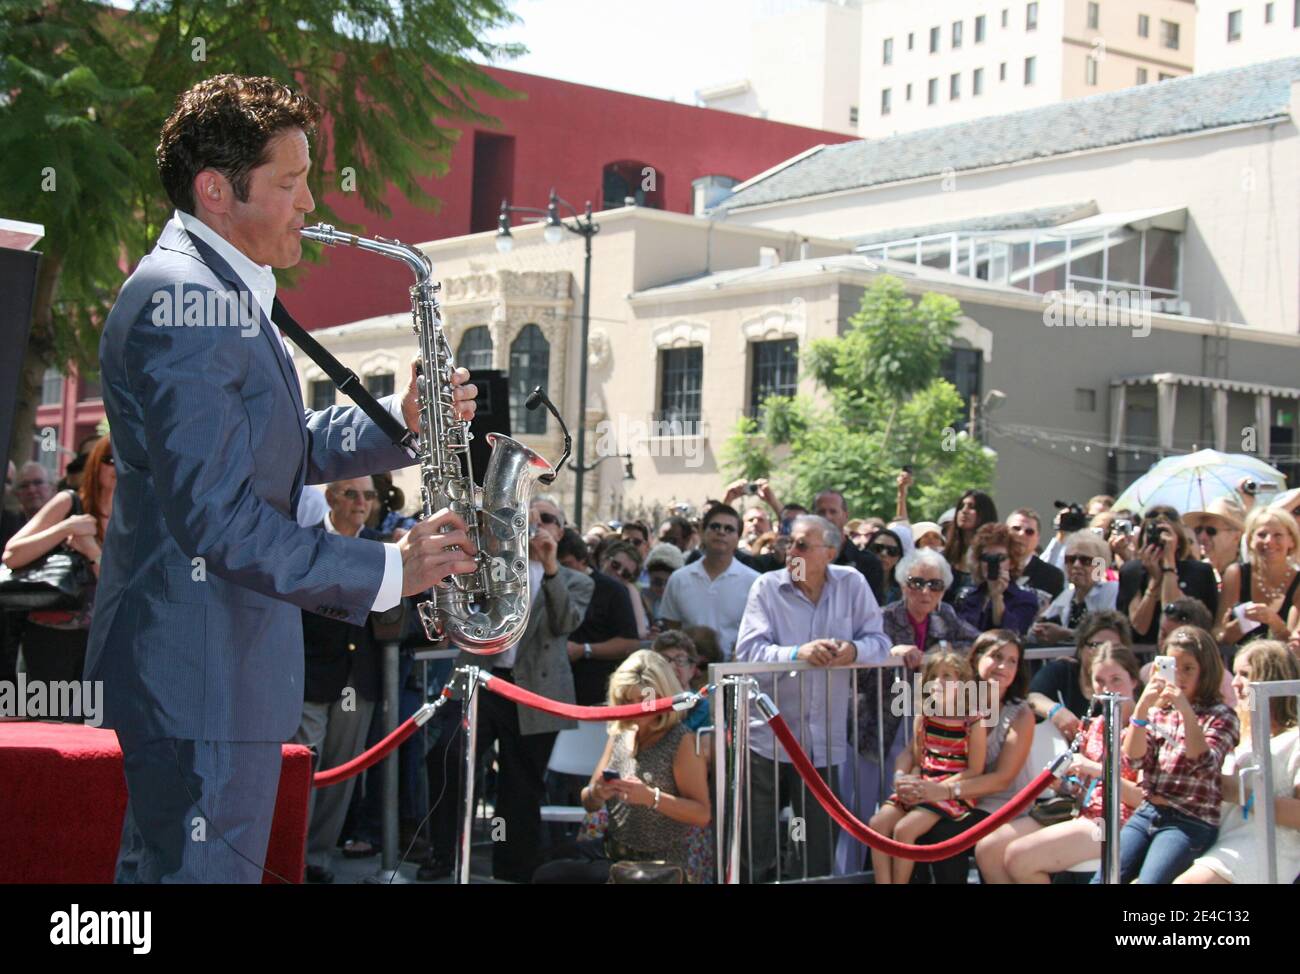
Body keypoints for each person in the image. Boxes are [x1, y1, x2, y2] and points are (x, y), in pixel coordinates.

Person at [87, 75, 480, 884]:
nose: (310, 204)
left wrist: (404, 420)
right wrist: (386, 569)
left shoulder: (211, 290)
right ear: (216, 190)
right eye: (290, 183)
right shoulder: (186, 299)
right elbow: (220, 517)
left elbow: (271, 452)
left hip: (206, 672)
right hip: (199, 679)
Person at [421, 497, 593, 882]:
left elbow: (565, 622)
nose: (536, 524)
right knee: (446, 758)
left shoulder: (577, 580)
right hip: (486, 683)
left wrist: (549, 568)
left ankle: (513, 870)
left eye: (546, 519)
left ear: (561, 531)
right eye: (528, 517)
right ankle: (443, 854)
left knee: (520, 785)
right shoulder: (496, 565)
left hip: (536, 694)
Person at [733, 514, 891, 881]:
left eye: (803, 544)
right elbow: (747, 653)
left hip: (825, 743)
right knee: (757, 846)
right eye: (790, 542)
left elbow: (879, 643)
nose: (793, 551)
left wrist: (852, 650)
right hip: (767, 740)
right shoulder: (766, 587)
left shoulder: (853, 584)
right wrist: (795, 653)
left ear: (830, 552)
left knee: (813, 849)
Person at [836, 547, 980, 874]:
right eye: (917, 582)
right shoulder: (882, 617)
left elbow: (979, 645)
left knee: (899, 812)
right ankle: (846, 877)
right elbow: (857, 662)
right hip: (872, 726)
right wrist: (888, 652)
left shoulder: (946, 617)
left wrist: (938, 652)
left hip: (917, 731)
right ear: (902, 584)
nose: (926, 591)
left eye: (935, 585)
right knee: (857, 816)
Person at [533, 650, 710, 883]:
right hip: (612, 852)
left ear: (662, 695)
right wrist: (598, 792)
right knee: (544, 870)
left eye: (643, 700)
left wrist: (650, 797)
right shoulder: (621, 732)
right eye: (627, 700)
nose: (635, 708)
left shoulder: (681, 741)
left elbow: (701, 814)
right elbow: (589, 801)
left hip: (661, 864)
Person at [293, 476, 386, 883]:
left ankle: (315, 858)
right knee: (303, 768)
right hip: (310, 675)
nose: (361, 502)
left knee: (341, 772)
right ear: (331, 498)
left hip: (358, 679)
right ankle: (288, 852)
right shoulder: (303, 541)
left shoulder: (387, 548)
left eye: (369, 496)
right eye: (352, 494)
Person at [1096, 625, 1239, 884]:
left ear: (1204, 672)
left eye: (1188, 668)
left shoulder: (1221, 715)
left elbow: (1204, 764)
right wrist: (1141, 709)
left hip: (1189, 820)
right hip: (1148, 811)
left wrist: (1185, 711)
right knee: (1105, 879)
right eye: (1173, 666)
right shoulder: (1157, 712)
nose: (1180, 676)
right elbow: (1134, 759)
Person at [997, 645, 1145, 883]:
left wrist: (1095, 770)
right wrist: (1064, 783)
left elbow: (1143, 799)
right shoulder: (1096, 726)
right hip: (1084, 813)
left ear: (1134, 681)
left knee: (1019, 858)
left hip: (1122, 823)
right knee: (992, 849)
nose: (1107, 689)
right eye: (1099, 681)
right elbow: (1080, 786)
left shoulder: (1143, 729)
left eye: (1116, 679)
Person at [908, 631, 1035, 883]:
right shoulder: (955, 700)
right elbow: (914, 748)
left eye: (1012, 661)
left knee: (944, 834)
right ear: (976, 658)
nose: (1003, 666)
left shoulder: (1021, 714)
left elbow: (1002, 779)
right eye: (997, 656)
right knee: (902, 825)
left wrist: (943, 791)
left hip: (1000, 803)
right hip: (955, 795)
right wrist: (905, 780)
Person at [1175, 641, 1300, 885]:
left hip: (1266, 846)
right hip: (1214, 837)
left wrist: (1243, 794)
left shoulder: (1295, 738)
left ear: (1270, 679)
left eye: (1245, 674)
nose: (1235, 683)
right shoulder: (1236, 734)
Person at [3, 437, 116, 691]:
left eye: (125, 460)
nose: (118, 467)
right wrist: (65, 527)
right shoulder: (69, 502)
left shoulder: (132, 518)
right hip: (51, 634)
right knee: (47, 723)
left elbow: (115, 586)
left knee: (88, 725)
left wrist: (91, 551)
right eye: (110, 460)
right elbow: (12, 554)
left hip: (101, 639)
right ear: (95, 465)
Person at [871, 649, 987, 884]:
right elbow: (917, 758)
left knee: (904, 830)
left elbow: (975, 769)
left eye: (947, 677)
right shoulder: (924, 716)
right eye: (934, 676)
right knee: (878, 824)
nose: (939, 682)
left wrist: (939, 788)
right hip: (924, 783)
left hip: (951, 792)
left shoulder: (973, 721)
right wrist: (906, 780)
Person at [656, 503, 758, 659]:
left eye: (729, 529)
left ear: (738, 538)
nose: (721, 532)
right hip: (687, 672)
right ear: (703, 532)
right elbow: (672, 630)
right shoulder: (679, 579)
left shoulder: (755, 583)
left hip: (735, 673)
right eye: (715, 527)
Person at [560, 518, 640, 705]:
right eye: (615, 565)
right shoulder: (547, 581)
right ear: (603, 558)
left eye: (626, 574)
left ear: (582, 559)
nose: (619, 572)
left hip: (594, 689)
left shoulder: (616, 592)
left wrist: (584, 650)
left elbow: (630, 642)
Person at [1028, 610, 1133, 743]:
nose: (1104, 652)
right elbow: (1032, 697)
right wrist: (1055, 711)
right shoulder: (1063, 671)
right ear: (1081, 647)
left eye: (1114, 647)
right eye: (1097, 645)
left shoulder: (1126, 684)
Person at [1118, 505, 1218, 644]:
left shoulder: (1200, 572)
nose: (1158, 539)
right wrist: (1155, 581)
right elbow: (1139, 627)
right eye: (1152, 533)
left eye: (1164, 533)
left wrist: (1169, 567)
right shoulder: (1131, 571)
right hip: (1142, 654)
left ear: (1178, 539)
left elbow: (1175, 615)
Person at [1214, 506, 1300, 650]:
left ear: (1291, 540)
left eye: (1278, 535)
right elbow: (1217, 633)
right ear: (1250, 541)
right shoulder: (1236, 574)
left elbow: (1295, 645)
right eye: (1262, 534)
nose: (1269, 541)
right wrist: (1231, 631)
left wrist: (1274, 622)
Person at [1031, 531, 1119, 644]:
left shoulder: (1111, 590)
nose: (1076, 565)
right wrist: (1039, 629)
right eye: (1071, 560)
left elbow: (1109, 636)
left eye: (1085, 561)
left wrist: (1066, 634)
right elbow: (1041, 623)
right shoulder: (1067, 595)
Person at [951, 523, 1039, 636]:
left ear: (1011, 562)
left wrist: (997, 597)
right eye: (986, 558)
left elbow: (1011, 634)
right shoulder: (966, 596)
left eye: (1000, 558)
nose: (992, 563)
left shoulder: (1025, 599)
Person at [1007, 508, 1065, 602]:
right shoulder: (990, 565)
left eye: (1029, 532)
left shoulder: (1052, 576)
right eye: (1016, 528)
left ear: (1037, 539)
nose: (1021, 534)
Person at [1184, 496, 1245, 584]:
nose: (1201, 537)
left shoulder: (1250, 575)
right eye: (1198, 530)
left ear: (1236, 537)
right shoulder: (1194, 573)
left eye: (1211, 531)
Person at [942, 489, 998, 573]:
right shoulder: (945, 554)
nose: (964, 511)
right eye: (961, 506)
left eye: (971, 507)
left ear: (984, 513)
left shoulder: (993, 556)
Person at [642, 542, 684, 619]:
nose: (663, 588)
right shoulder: (640, 599)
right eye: (657, 582)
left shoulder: (684, 603)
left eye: (669, 583)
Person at [866, 527, 906, 604]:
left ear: (898, 557)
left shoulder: (904, 590)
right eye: (878, 548)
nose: (884, 554)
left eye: (892, 550)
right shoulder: (855, 580)